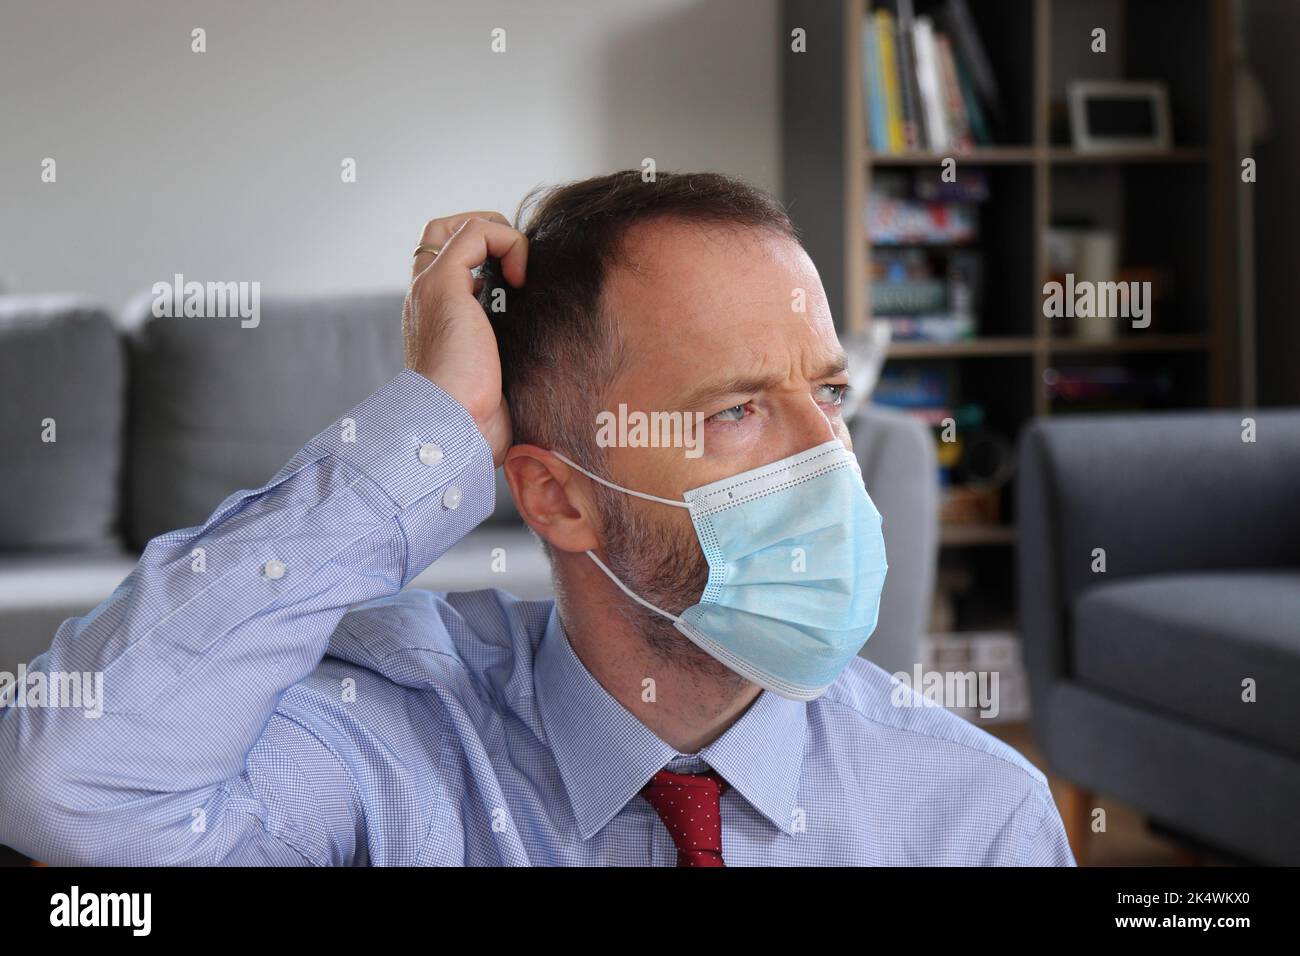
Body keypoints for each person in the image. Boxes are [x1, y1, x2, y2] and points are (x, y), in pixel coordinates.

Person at [0, 170, 1075, 866]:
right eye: (738, 409)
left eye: (828, 394)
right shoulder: (393, 755)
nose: (830, 457)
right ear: (555, 494)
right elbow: (65, 781)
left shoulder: (976, 817)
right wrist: (429, 426)